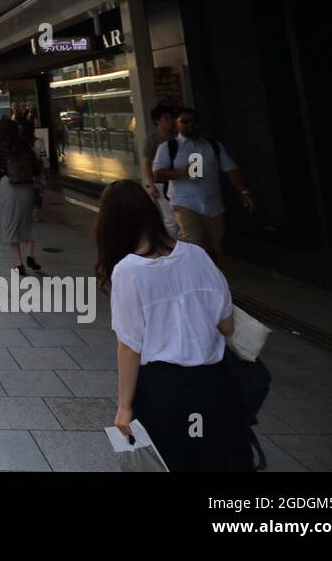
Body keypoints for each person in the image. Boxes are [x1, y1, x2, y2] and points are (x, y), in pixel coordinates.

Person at [97, 180, 253, 471]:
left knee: (171, 462)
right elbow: (227, 324)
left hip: (164, 390)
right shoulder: (197, 255)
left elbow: (130, 347)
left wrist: (124, 406)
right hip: (215, 383)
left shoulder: (128, 271)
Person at [150, 107, 253, 261]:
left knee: (216, 245)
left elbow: (231, 168)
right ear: (176, 124)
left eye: (195, 122)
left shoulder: (213, 146)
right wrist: (180, 173)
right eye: (185, 121)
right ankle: (203, 278)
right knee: (196, 245)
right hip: (185, 202)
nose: (191, 125)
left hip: (213, 204)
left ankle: (210, 272)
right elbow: (157, 173)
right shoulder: (168, 147)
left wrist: (244, 192)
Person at [0, 118, 41, 275]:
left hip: (8, 187)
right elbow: (35, 167)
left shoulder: (0, 148)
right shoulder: (25, 146)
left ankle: (18, 263)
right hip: (26, 187)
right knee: (26, 222)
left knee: (10, 223)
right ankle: (30, 255)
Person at [141, 104, 181, 239]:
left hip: (179, 181)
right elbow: (146, 162)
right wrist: (151, 185)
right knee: (171, 219)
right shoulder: (152, 139)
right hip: (161, 183)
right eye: (166, 118)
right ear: (157, 121)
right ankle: (173, 246)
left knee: (178, 216)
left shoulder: (178, 137)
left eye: (172, 117)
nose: (171, 120)